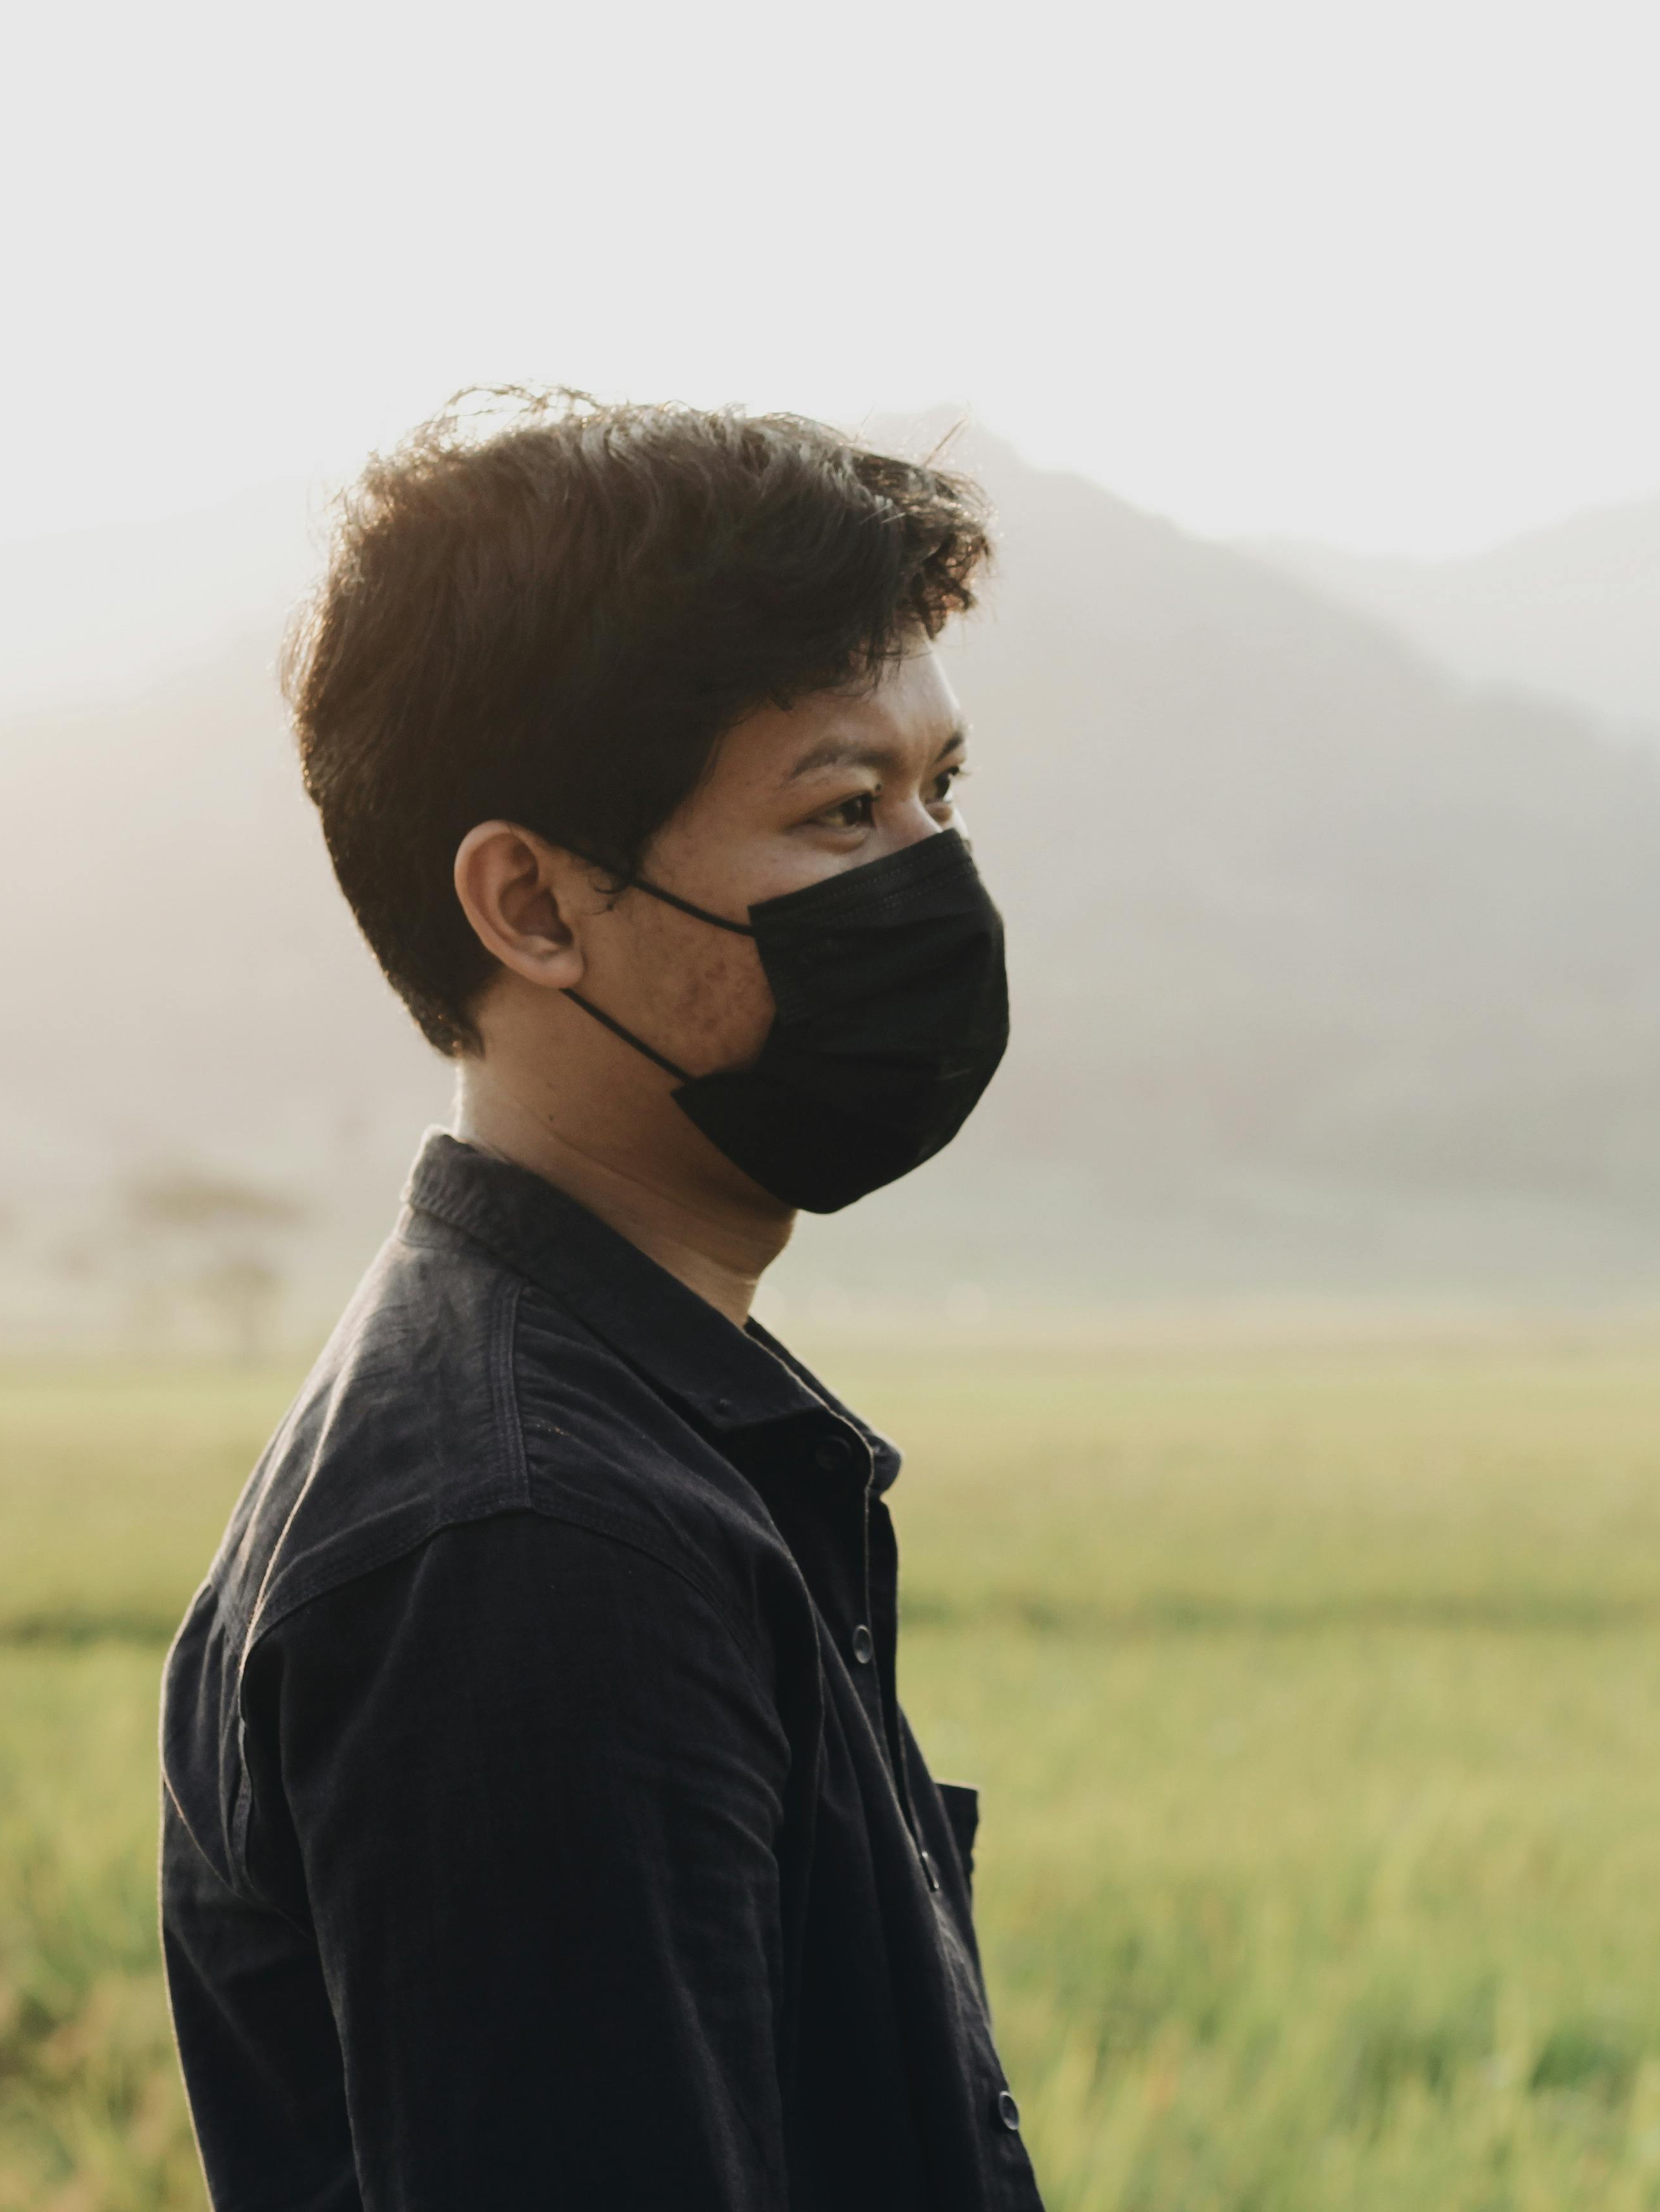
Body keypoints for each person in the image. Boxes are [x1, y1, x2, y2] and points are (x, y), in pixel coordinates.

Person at [156, 391, 1039, 2209]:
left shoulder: (631, 1433)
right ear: (534, 907)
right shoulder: (539, 1549)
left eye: (940, 794)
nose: (934, 880)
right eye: (844, 807)